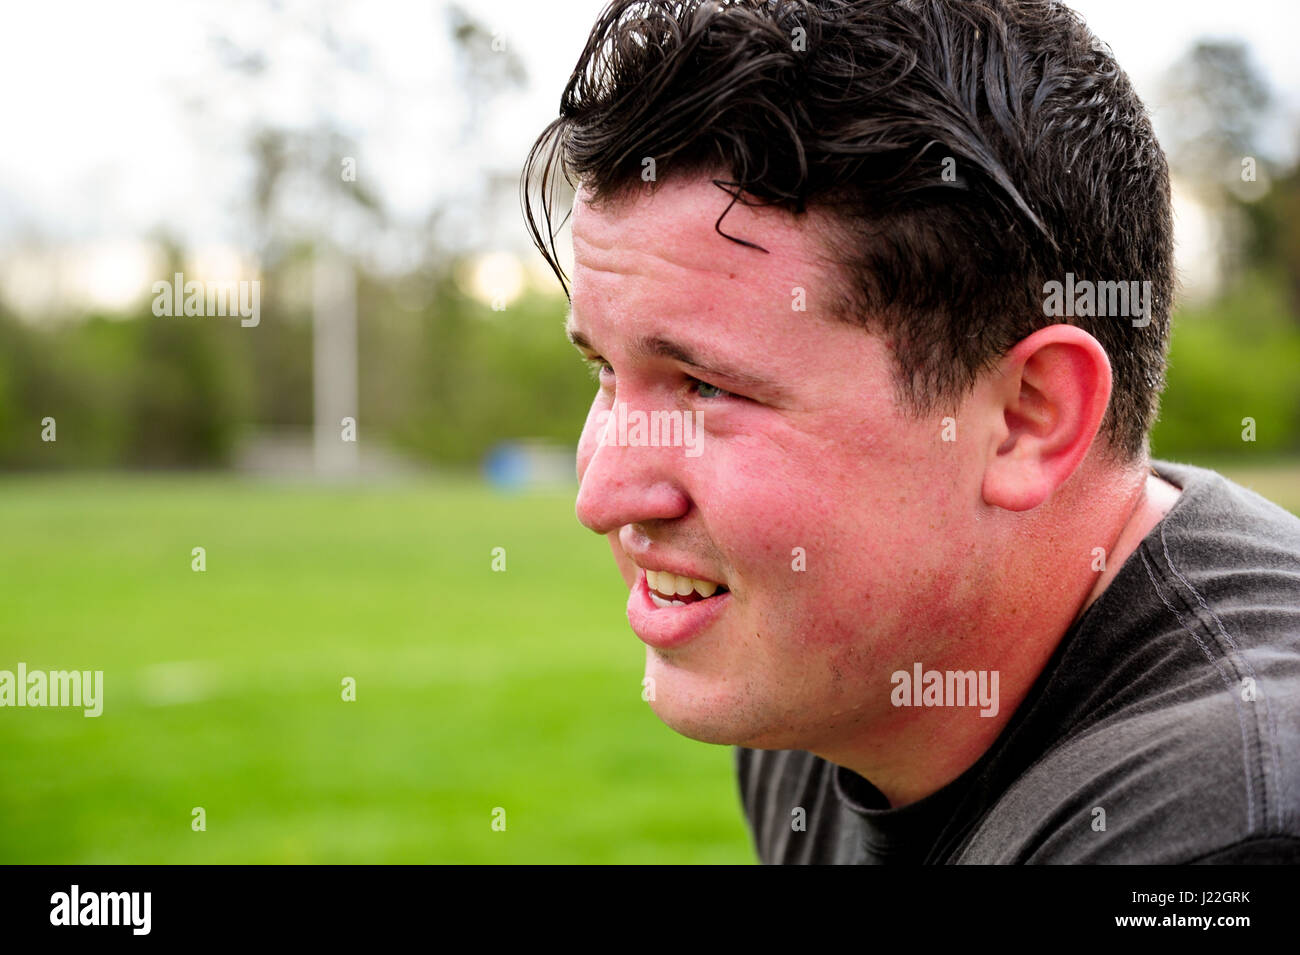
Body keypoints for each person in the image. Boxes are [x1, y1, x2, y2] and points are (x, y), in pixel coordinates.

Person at [520, 0, 1300, 862]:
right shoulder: (827, 686)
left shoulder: (1229, 834)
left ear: (1027, 419)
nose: (600, 497)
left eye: (706, 386)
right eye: (605, 371)